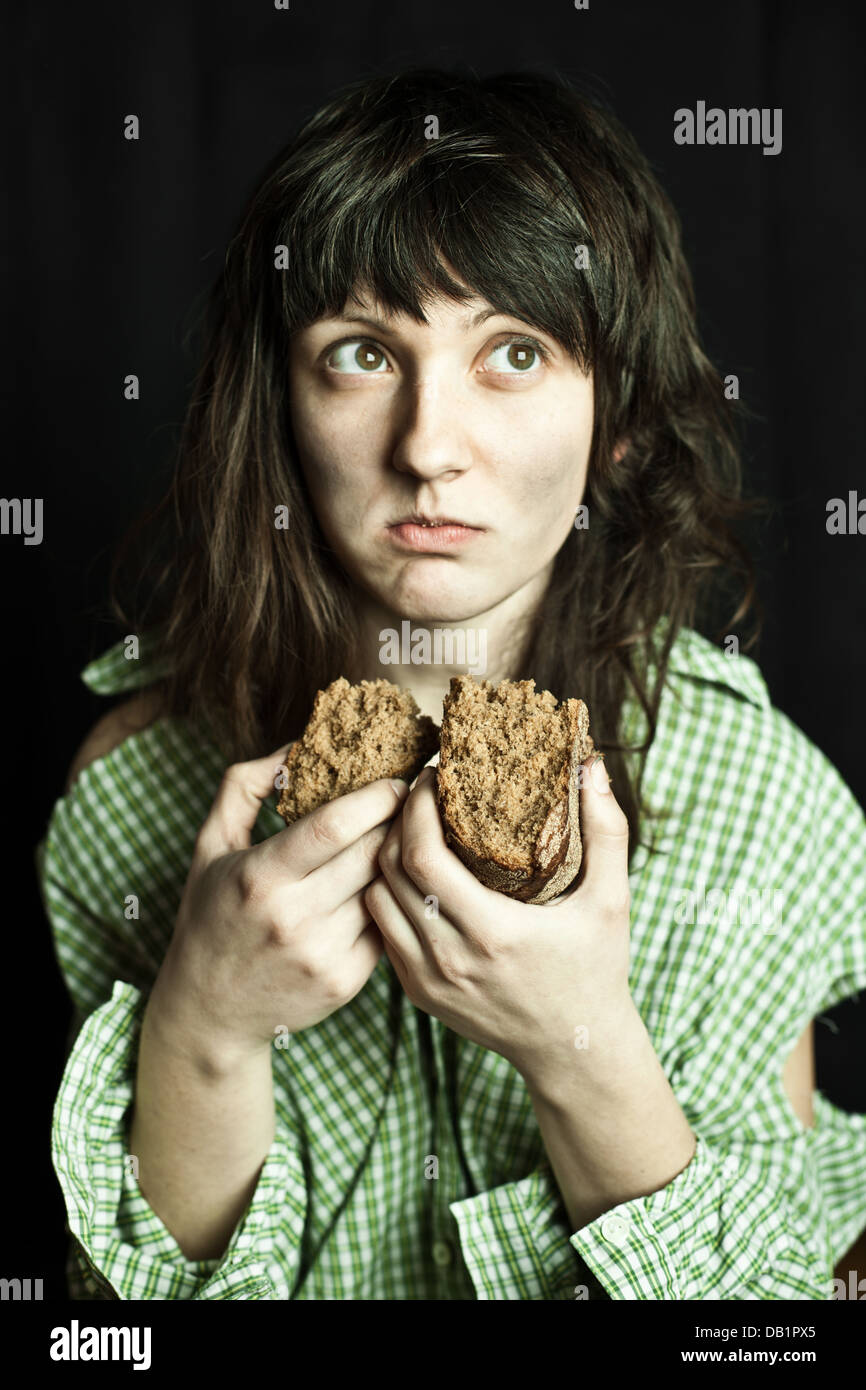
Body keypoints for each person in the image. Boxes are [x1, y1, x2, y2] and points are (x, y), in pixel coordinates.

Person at [37, 66, 866, 1301]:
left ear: (619, 421)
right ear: (280, 407)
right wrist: (199, 1027)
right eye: (363, 352)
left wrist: (578, 1048)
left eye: (514, 353)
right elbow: (115, 1332)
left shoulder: (758, 802)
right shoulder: (131, 792)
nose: (428, 446)